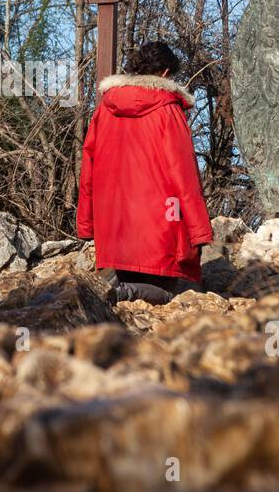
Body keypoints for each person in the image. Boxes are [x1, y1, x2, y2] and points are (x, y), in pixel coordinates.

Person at [75, 42, 213, 305]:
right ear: (164, 74)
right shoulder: (167, 109)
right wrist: (199, 232)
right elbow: (184, 174)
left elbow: (88, 169)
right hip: (160, 223)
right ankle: (121, 293)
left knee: (128, 277)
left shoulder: (105, 107)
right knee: (169, 294)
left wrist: (87, 223)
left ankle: (114, 288)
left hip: (113, 224)